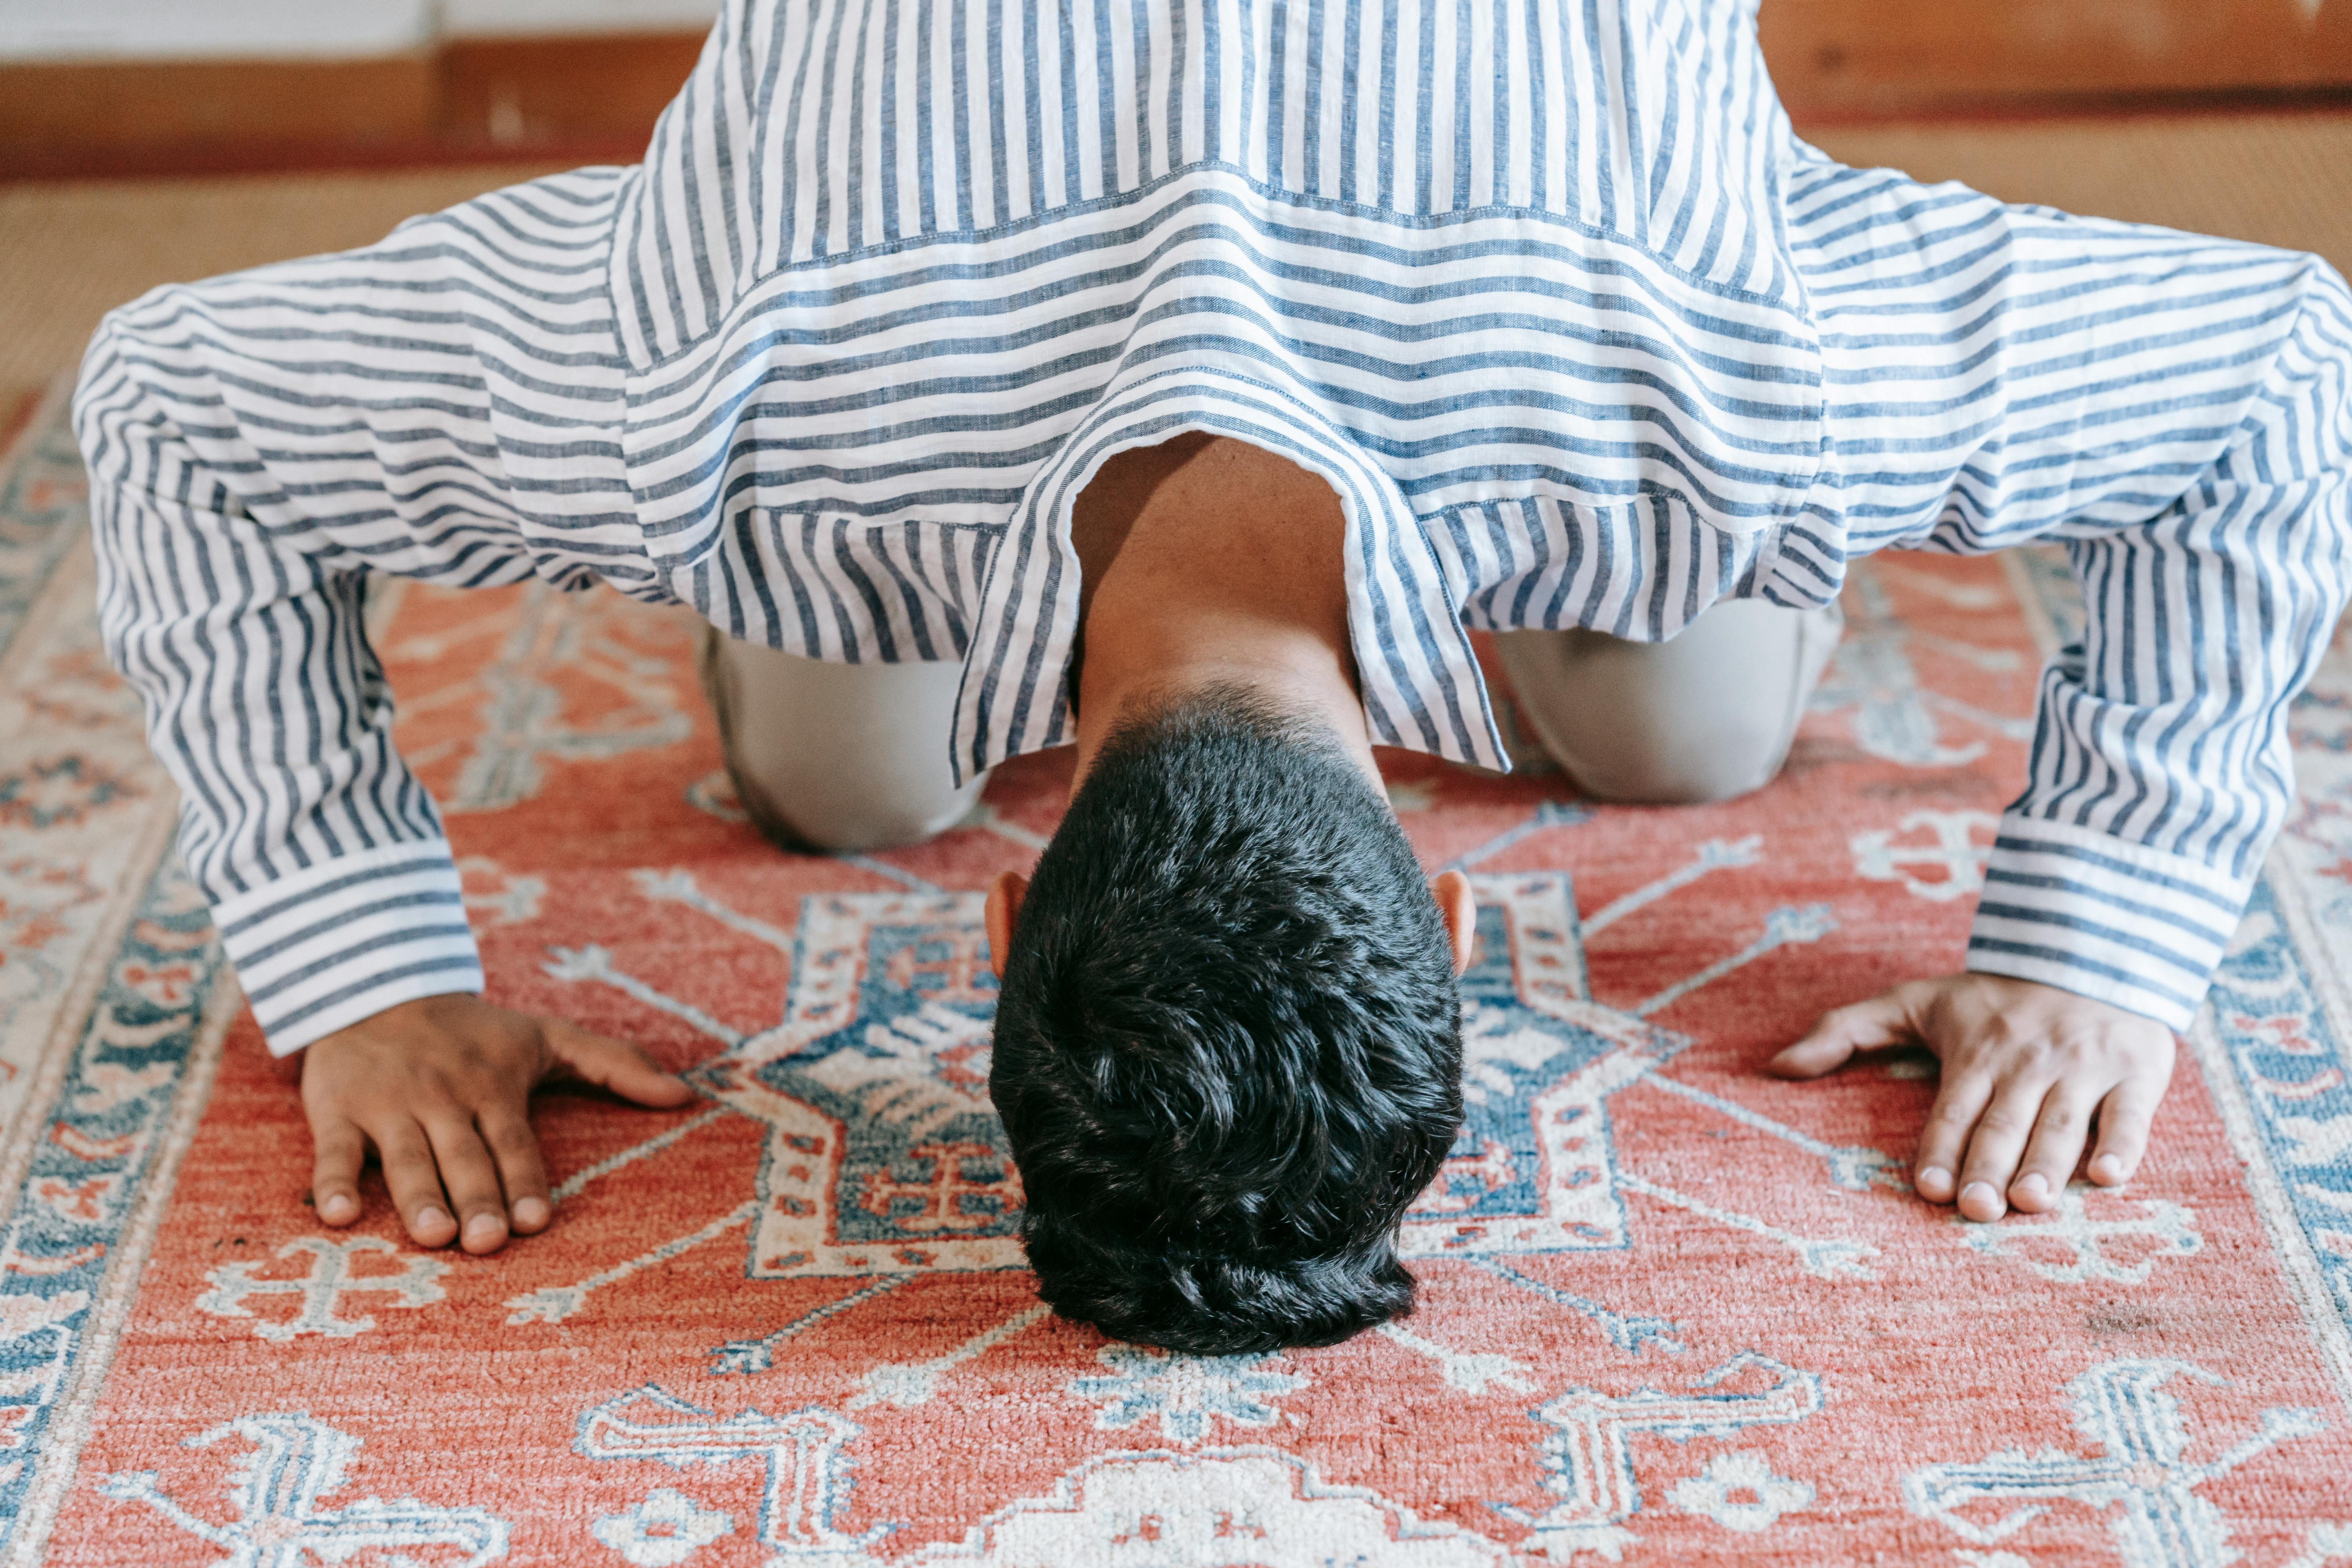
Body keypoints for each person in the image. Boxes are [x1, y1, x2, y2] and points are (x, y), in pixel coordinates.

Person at [76, 0, 2349, 1352]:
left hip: (1444, 319)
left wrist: (2096, 945)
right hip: (900, 339)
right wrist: (363, 980)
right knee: (851, 780)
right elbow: (169, 403)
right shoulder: (717, 408)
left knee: (1696, 734)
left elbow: (2279, 370)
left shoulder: (1719, 391)